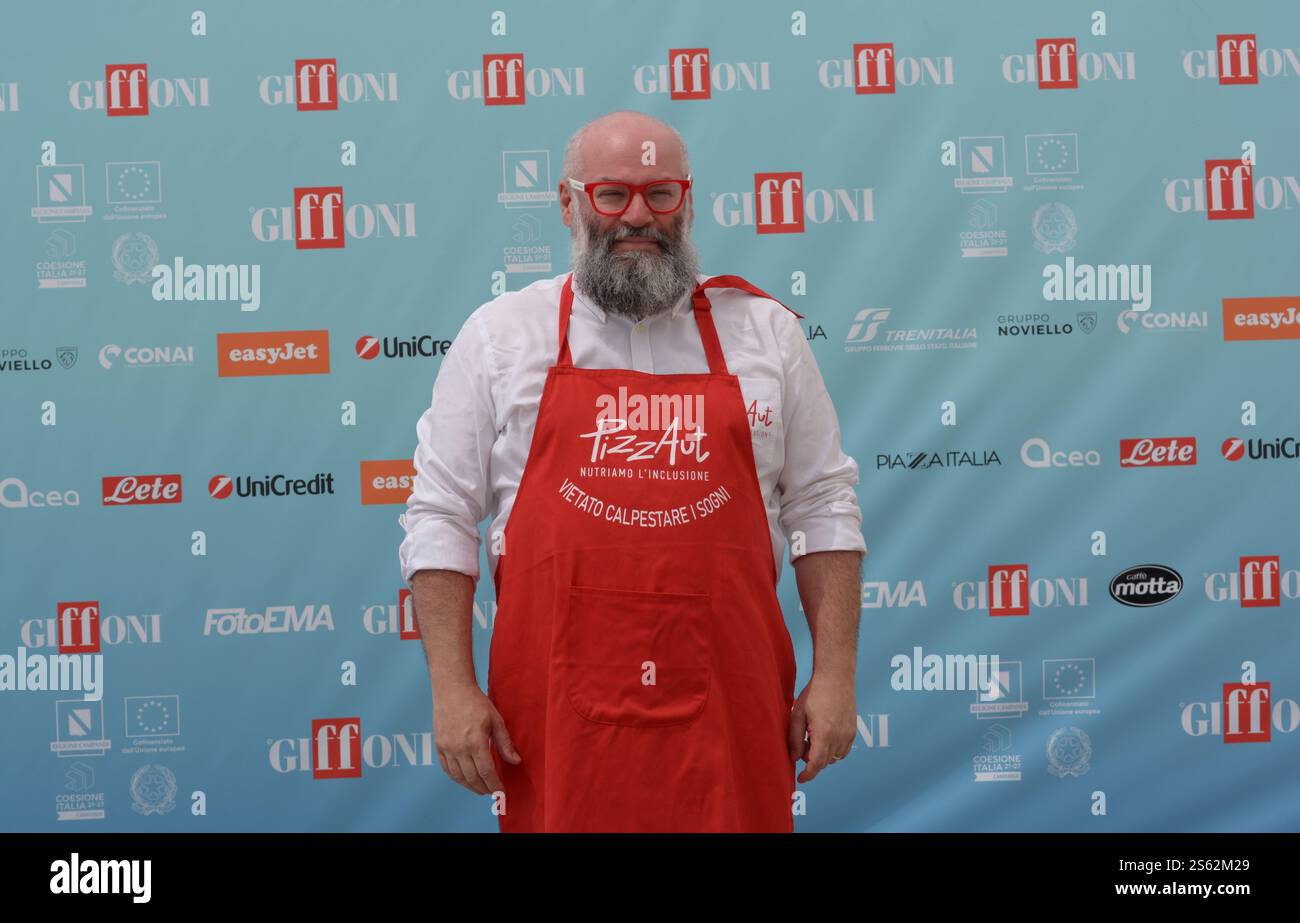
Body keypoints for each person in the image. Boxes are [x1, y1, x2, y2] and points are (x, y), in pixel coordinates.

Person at [399, 109, 866, 832]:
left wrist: (834, 676)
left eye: (661, 193)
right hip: (552, 717)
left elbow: (823, 506)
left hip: (732, 706)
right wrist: (451, 687)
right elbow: (439, 516)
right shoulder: (501, 337)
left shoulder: (765, 333)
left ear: (689, 199)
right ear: (569, 203)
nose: (638, 216)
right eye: (612, 195)